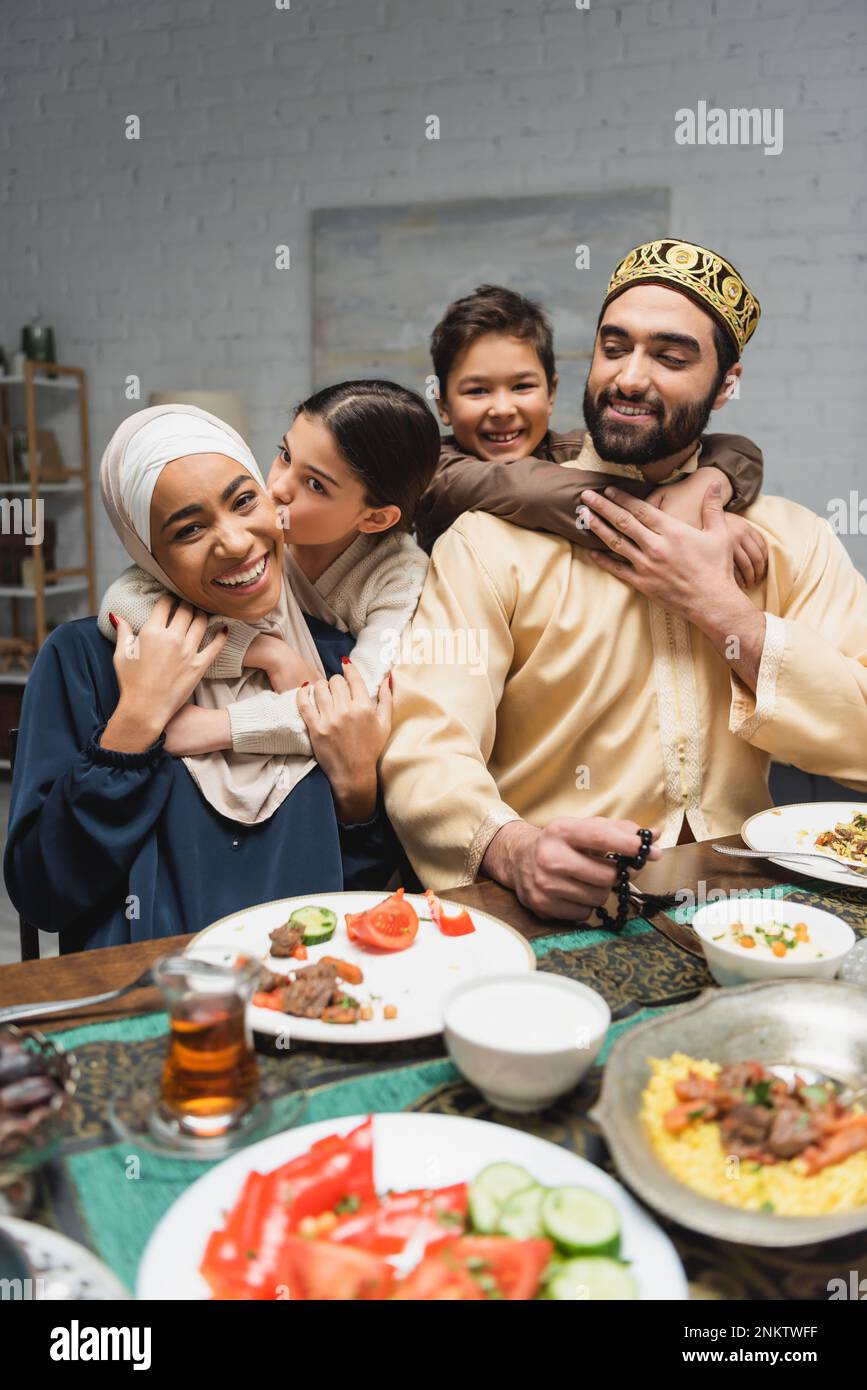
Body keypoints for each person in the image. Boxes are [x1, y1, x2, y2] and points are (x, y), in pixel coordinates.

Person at [380, 238, 867, 922]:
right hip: (556, 914)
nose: (630, 378)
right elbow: (424, 750)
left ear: (725, 385)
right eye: (614, 348)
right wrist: (512, 848)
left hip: (765, 909)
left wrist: (726, 614)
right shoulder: (488, 542)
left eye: (670, 357)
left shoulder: (789, 538)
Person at [4, 404, 398, 951]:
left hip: (309, 988)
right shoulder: (88, 660)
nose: (235, 542)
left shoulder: (336, 656)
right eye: (189, 529)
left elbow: (370, 894)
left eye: (243, 501)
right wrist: (135, 722)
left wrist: (357, 791)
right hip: (152, 1000)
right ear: (149, 554)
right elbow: (44, 892)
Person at [97, 381, 439, 761]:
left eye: (315, 485)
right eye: (285, 455)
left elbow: (354, 712)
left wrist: (216, 727)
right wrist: (263, 652)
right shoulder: (258, 529)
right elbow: (122, 603)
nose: (275, 487)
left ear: (375, 518)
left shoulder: (400, 578)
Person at [414, 283, 767, 591]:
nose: (503, 409)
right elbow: (530, 489)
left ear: (551, 393)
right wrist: (685, 518)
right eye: (477, 391)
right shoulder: (432, 471)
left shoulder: (572, 450)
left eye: (522, 386)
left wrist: (709, 481)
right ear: (443, 406)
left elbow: (736, 449)